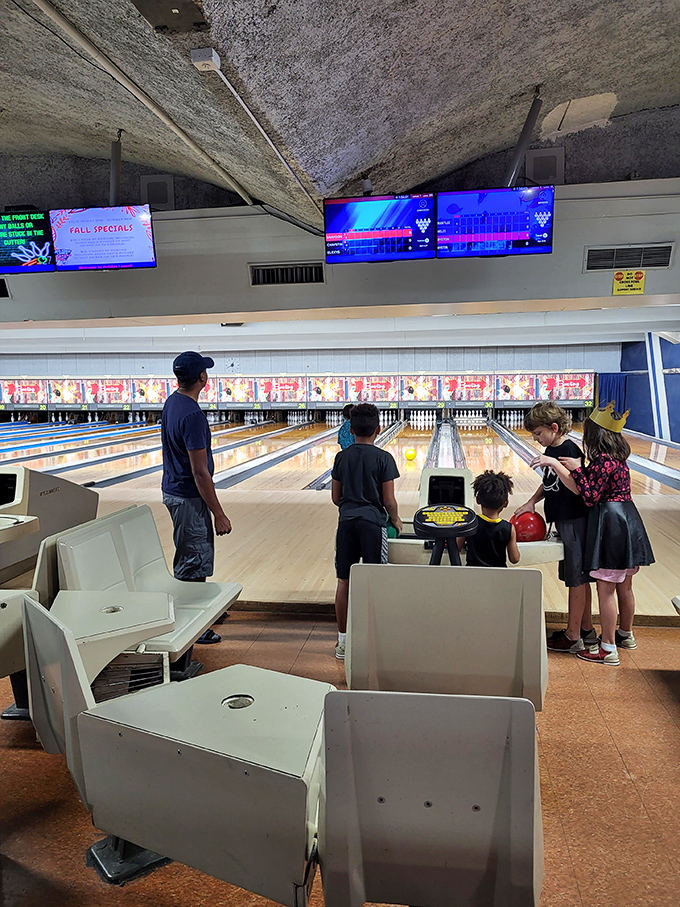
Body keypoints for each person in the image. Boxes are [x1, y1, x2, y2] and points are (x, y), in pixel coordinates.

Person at [547, 402, 654, 665]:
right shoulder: (618, 459)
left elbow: (590, 495)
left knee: (606, 589)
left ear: (595, 436)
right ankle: (625, 635)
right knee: (625, 587)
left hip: (611, 524)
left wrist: (576, 470)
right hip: (628, 519)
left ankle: (607, 649)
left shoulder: (602, 462)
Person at [161, 351, 232, 644]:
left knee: (193, 557)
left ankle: (199, 609)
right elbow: (200, 472)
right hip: (189, 496)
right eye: (206, 370)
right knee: (192, 562)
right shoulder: (192, 416)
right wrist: (219, 513)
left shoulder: (172, 402)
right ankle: (193, 626)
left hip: (176, 491)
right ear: (202, 377)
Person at [514, 402, 597, 653]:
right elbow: (551, 483)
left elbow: (575, 485)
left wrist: (553, 463)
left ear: (553, 427)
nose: (536, 439)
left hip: (575, 521)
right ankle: (586, 629)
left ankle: (573, 636)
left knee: (577, 580)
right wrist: (531, 502)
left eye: (538, 433)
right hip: (565, 522)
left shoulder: (569, 450)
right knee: (579, 579)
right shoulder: (553, 450)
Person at [331, 403, 402, 659]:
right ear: (379, 429)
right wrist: (395, 519)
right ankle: (374, 639)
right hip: (373, 525)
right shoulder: (384, 458)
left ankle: (343, 642)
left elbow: (335, 497)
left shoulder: (342, 457)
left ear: (350, 428)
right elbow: (389, 501)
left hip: (346, 523)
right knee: (375, 579)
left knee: (344, 581)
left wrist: (351, 506)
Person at [461, 471, 520, 567]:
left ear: (478, 500)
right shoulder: (509, 528)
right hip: (498, 577)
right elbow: (514, 558)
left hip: (473, 575)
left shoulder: (470, 522)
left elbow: (457, 547)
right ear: (505, 503)